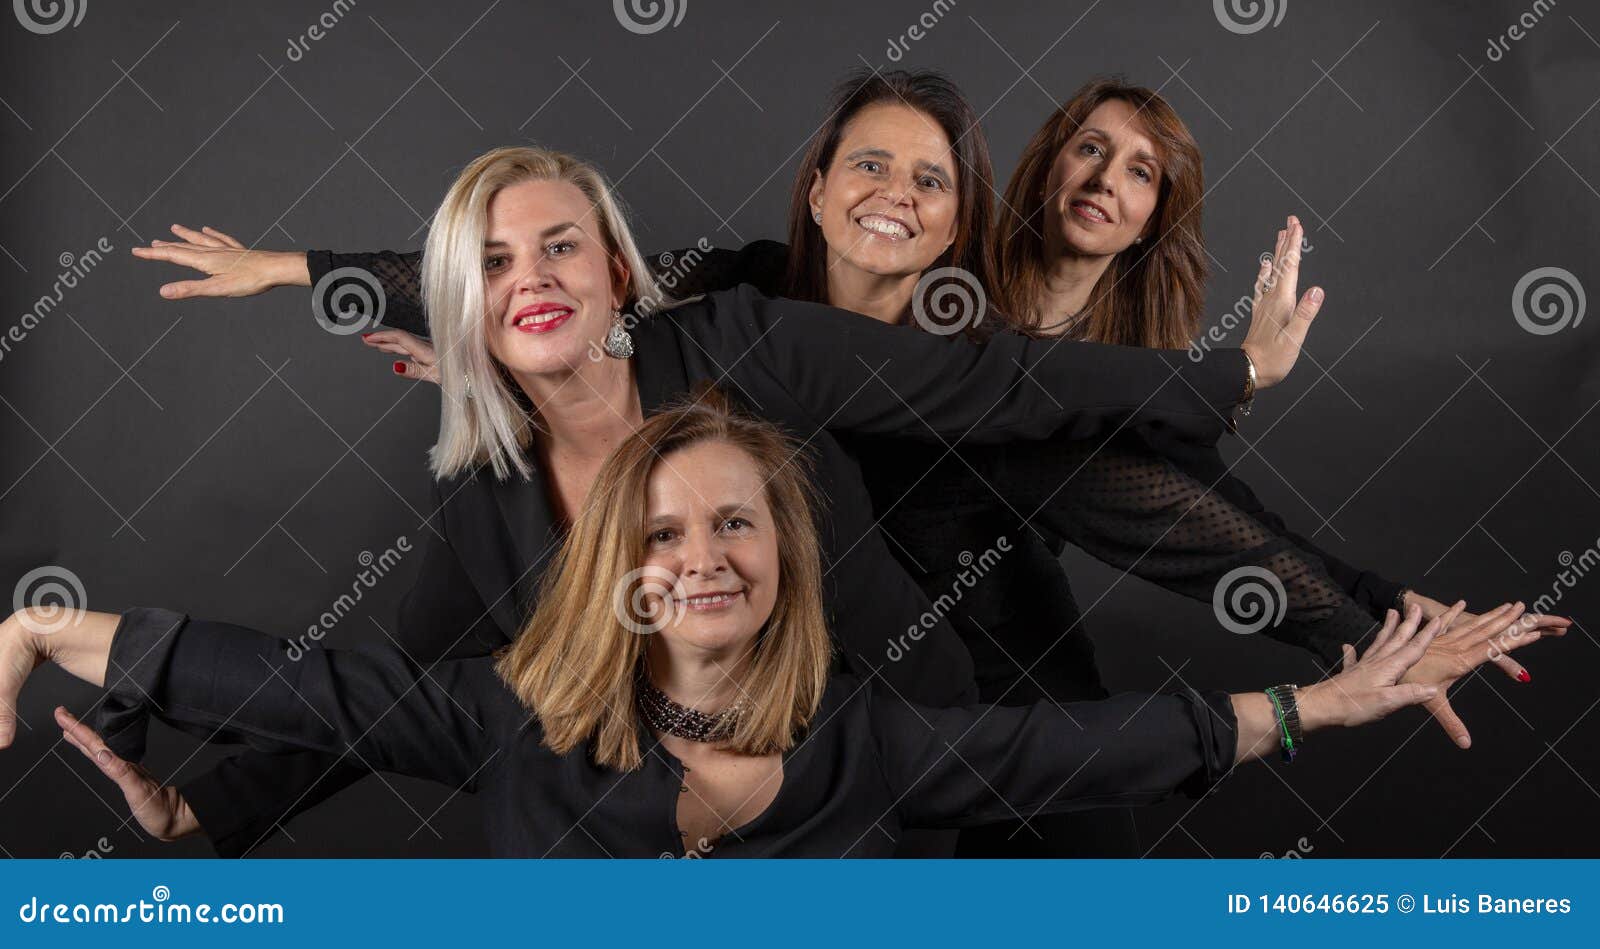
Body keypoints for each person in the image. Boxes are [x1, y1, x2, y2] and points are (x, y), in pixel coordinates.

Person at [0, 388, 1549, 857]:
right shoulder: (506, 721)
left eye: (737, 519)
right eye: (666, 528)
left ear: (785, 560)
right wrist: (44, 633)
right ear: (624, 567)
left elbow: (1093, 744)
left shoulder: (873, 745)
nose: (706, 551)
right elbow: (305, 684)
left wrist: (1327, 702)